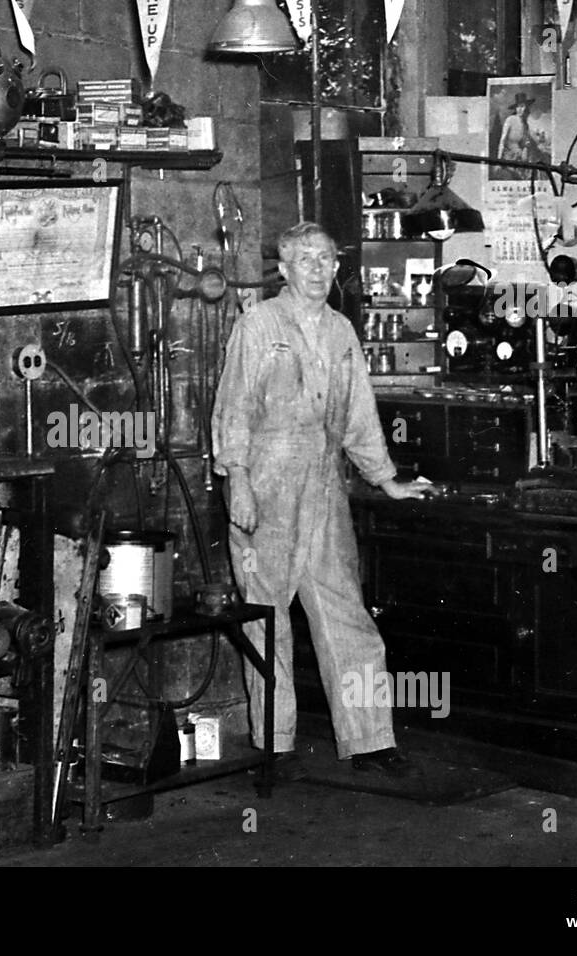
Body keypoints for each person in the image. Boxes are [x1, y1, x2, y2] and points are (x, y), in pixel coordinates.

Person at [211, 222, 433, 777]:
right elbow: (233, 407)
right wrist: (237, 479)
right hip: (265, 482)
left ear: (337, 268)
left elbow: (360, 414)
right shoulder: (258, 326)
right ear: (283, 269)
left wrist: (385, 479)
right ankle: (274, 742)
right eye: (305, 259)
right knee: (268, 616)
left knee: (344, 612)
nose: (318, 269)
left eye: (327, 259)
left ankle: (370, 738)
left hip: (324, 484)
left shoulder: (341, 332)